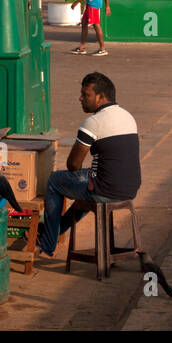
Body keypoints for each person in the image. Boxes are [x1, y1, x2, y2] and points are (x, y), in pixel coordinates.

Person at [37, 72, 140, 258]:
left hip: (106, 189)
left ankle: (47, 242)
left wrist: (78, 173)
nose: (80, 98)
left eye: (86, 95)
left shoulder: (93, 122)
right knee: (87, 184)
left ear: (100, 97)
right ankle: (57, 228)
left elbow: (73, 165)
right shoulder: (128, 116)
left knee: (55, 180)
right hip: (130, 188)